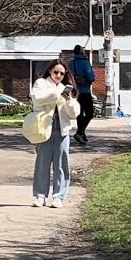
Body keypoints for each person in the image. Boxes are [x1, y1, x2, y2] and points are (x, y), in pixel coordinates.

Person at [29, 61, 80, 209]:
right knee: (42, 162)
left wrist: (69, 101)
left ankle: (59, 196)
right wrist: (57, 95)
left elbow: (73, 114)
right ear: (50, 71)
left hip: (62, 129)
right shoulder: (41, 83)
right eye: (56, 72)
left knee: (61, 164)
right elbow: (38, 98)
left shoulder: (66, 88)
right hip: (44, 128)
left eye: (62, 73)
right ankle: (40, 195)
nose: (58, 75)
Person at [69, 45, 96, 145]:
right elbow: (91, 77)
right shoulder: (85, 62)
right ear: (82, 52)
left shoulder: (71, 63)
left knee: (79, 114)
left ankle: (82, 135)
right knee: (89, 114)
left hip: (75, 93)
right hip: (85, 92)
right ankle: (80, 132)